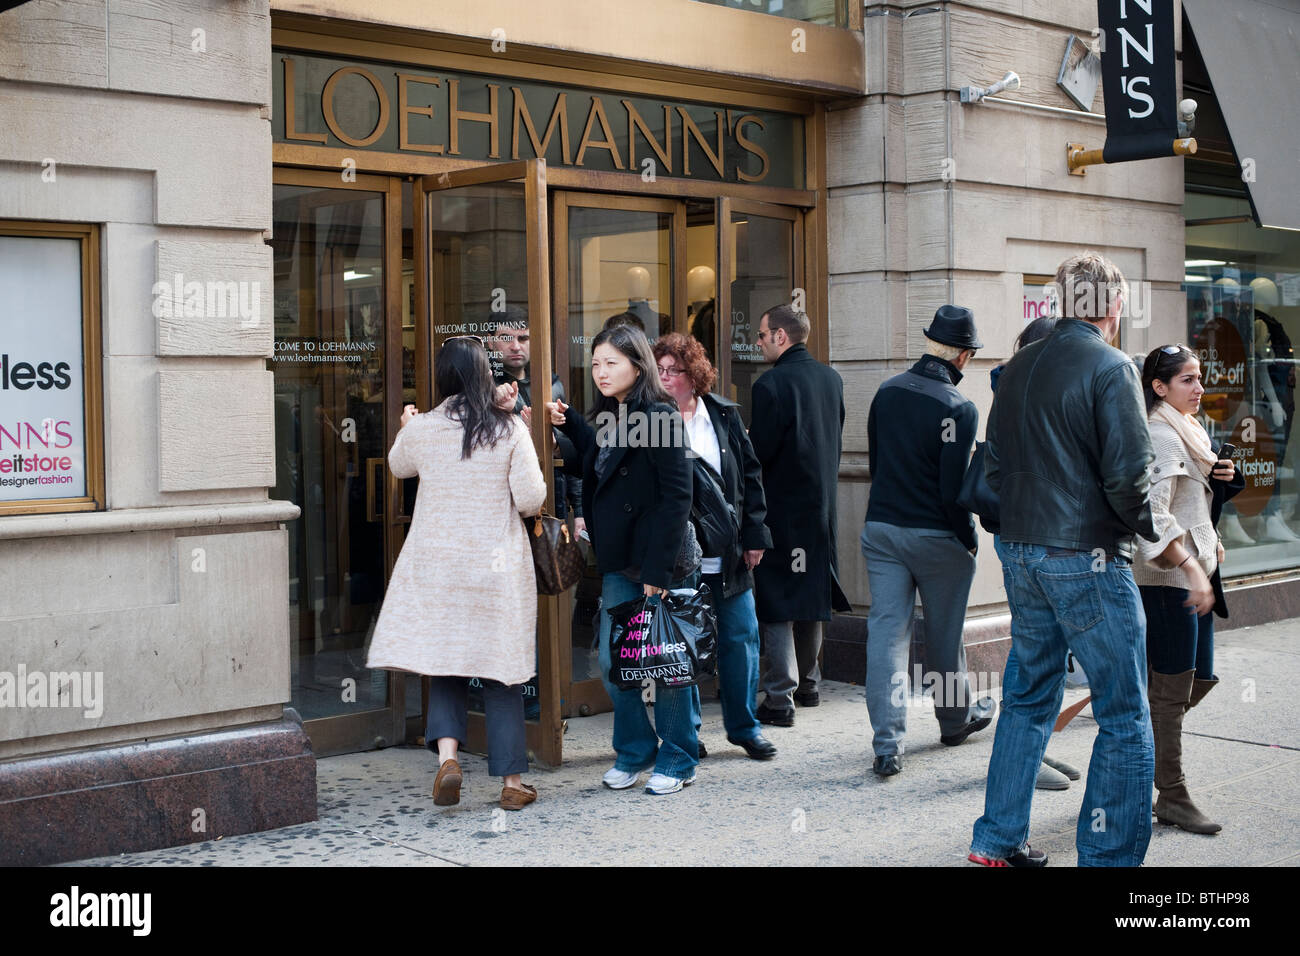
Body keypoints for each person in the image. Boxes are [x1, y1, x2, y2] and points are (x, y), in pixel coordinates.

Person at [969, 252, 1158, 867]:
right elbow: (1130, 478)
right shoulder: (1112, 365)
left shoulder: (1018, 367)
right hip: (1085, 555)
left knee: (1026, 698)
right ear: (1114, 305)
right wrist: (1154, 534)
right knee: (1125, 713)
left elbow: (993, 470)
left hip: (1022, 552)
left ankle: (996, 840)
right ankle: (1106, 858)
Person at [366, 336, 546, 811]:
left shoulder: (424, 427)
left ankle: (448, 759)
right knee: (501, 672)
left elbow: (398, 465)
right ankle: (511, 782)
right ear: (484, 375)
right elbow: (531, 499)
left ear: (443, 379)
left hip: (439, 566)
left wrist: (406, 425)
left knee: (445, 664)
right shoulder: (508, 429)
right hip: (494, 567)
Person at [547, 324, 697, 795]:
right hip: (619, 561)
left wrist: (658, 571)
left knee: (667, 663)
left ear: (638, 364)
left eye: (611, 362)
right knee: (616, 661)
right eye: (595, 363)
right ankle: (635, 750)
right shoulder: (614, 413)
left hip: (661, 561)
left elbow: (678, 497)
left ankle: (678, 756)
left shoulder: (660, 414)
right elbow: (598, 455)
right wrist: (568, 421)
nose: (600, 372)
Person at [861, 305, 996, 777]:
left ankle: (886, 746)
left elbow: (878, 464)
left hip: (882, 530)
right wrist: (968, 540)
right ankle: (953, 721)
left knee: (886, 635)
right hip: (937, 537)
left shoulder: (887, 391)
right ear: (962, 356)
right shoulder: (958, 407)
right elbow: (952, 491)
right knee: (943, 635)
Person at [652, 333, 777, 760]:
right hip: (676, 554)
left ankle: (744, 727)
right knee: (682, 644)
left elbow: (751, 477)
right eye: (661, 370)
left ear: (696, 374)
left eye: (676, 370)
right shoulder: (648, 420)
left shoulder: (722, 414)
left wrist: (755, 535)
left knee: (741, 636)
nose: (667, 378)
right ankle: (688, 732)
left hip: (726, 551)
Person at [1135, 344, 1241, 834]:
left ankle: (1135, 760)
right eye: (1188, 380)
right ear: (1159, 386)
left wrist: (1224, 478)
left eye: (1200, 378)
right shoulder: (1161, 433)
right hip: (1168, 578)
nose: (1200, 389)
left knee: (1195, 680)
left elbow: (1195, 498)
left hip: (1198, 569)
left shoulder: (1190, 427)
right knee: (1173, 686)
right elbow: (1153, 516)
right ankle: (1171, 794)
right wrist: (1190, 570)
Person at [983, 316, 1083, 792]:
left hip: (1028, 529)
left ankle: (1033, 750)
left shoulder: (1014, 382)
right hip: (1035, 532)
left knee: (1043, 646)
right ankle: (1022, 757)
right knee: (1034, 649)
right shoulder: (1025, 386)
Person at [749, 304, 852, 726]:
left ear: (780, 336)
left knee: (776, 601)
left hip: (780, 509)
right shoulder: (831, 379)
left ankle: (779, 698)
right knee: (811, 595)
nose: (757, 342)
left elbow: (761, 456)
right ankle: (808, 685)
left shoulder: (770, 384)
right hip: (821, 508)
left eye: (761, 335)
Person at [490, 309, 583, 535]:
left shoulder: (550, 383)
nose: (515, 346)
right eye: (505, 338)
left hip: (553, 498)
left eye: (523, 338)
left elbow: (567, 446)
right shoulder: (485, 386)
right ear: (491, 343)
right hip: (505, 505)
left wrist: (579, 509)